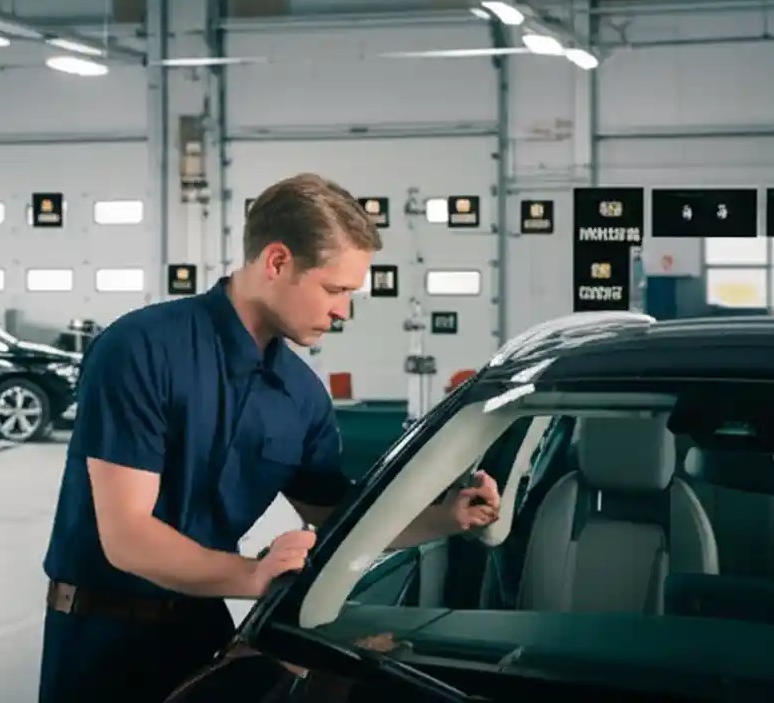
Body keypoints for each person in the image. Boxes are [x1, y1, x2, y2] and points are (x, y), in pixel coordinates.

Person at [37, 172, 502, 703]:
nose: (342, 311)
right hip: (100, 639)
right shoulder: (140, 349)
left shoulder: (301, 395)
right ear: (278, 262)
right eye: (335, 289)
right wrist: (255, 575)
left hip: (204, 630)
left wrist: (446, 518)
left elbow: (338, 519)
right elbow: (129, 539)